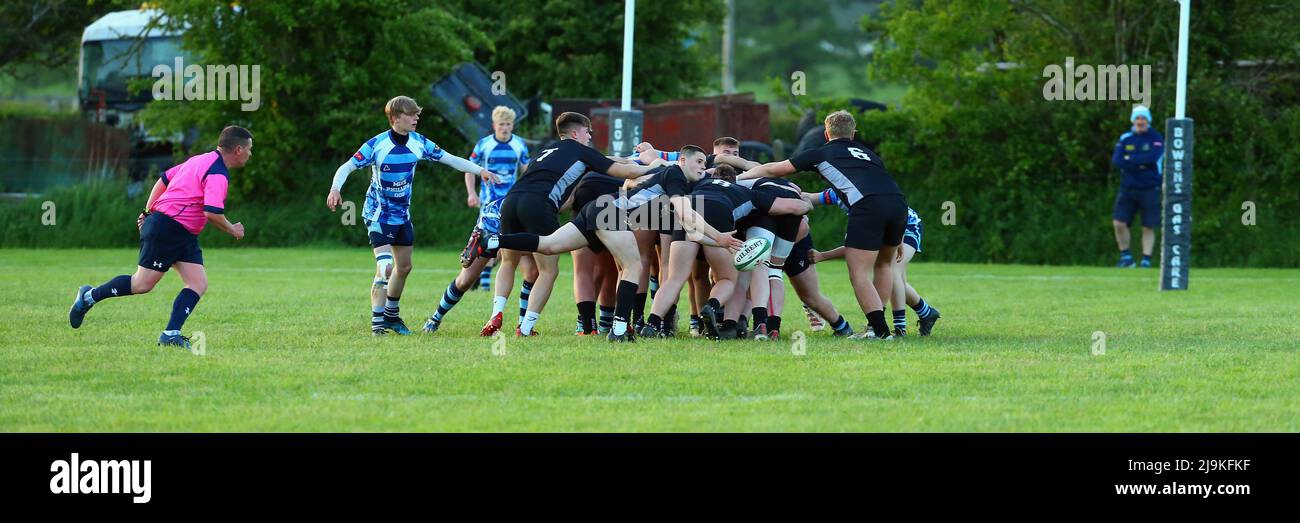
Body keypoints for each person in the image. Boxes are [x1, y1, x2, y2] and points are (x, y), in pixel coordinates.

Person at [468, 111, 657, 337]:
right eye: (587, 132)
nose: (589, 137)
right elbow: (625, 171)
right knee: (548, 270)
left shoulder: (546, 151)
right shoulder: (581, 151)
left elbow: (613, 160)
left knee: (508, 262)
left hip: (511, 201)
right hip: (538, 204)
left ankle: (495, 314)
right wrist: (656, 166)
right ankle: (526, 328)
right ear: (575, 133)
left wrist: (634, 158)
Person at [67, 126, 253, 349]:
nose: (250, 154)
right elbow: (211, 212)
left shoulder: (200, 160)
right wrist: (233, 229)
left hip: (182, 232)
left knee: (197, 283)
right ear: (239, 149)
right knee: (141, 284)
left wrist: (147, 212)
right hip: (168, 228)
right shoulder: (217, 173)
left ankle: (170, 334)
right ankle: (88, 297)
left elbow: (163, 180)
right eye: (250, 149)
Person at [326, 95, 495, 335]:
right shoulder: (377, 144)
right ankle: (377, 327)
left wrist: (480, 170)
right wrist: (335, 188)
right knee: (385, 267)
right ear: (395, 118)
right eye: (411, 113)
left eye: (417, 113)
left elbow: (450, 159)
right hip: (378, 214)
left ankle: (392, 317)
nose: (416, 117)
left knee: (404, 267)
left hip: (402, 216)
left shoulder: (419, 142)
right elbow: (347, 166)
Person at [738, 110, 907, 339]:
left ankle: (879, 331)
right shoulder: (869, 154)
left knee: (858, 273)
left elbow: (772, 169)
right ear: (853, 134)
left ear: (826, 134)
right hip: (898, 204)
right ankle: (877, 328)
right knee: (884, 266)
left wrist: (736, 180)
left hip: (868, 207)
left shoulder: (820, 153)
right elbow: (878, 184)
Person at [466, 106, 530, 289]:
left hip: (510, 202)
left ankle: (482, 277)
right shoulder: (484, 144)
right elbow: (469, 169)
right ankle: (483, 283)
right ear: (494, 125)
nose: (505, 128)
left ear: (513, 125)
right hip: (488, 202)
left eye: (508, 124)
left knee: (506, 243)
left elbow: (526, 173)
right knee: (487, 239)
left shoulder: (519, 145)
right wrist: (471, 193)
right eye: (501, 124)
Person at [1110, 105, 1164, 268]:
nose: (1140, 121)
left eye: (1143, 118)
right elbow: (1117, 161)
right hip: (1128, 187)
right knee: (1119, 222)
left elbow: (1152, 158)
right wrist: (1139, 162)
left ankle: (1146, 259)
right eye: (1138, 118)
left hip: (1149, 187)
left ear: (1148, 120)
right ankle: (1126, 257)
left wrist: (1130, 159)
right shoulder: (1125, 138)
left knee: (1148, 225)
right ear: (1133, 120)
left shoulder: (1156, 137)